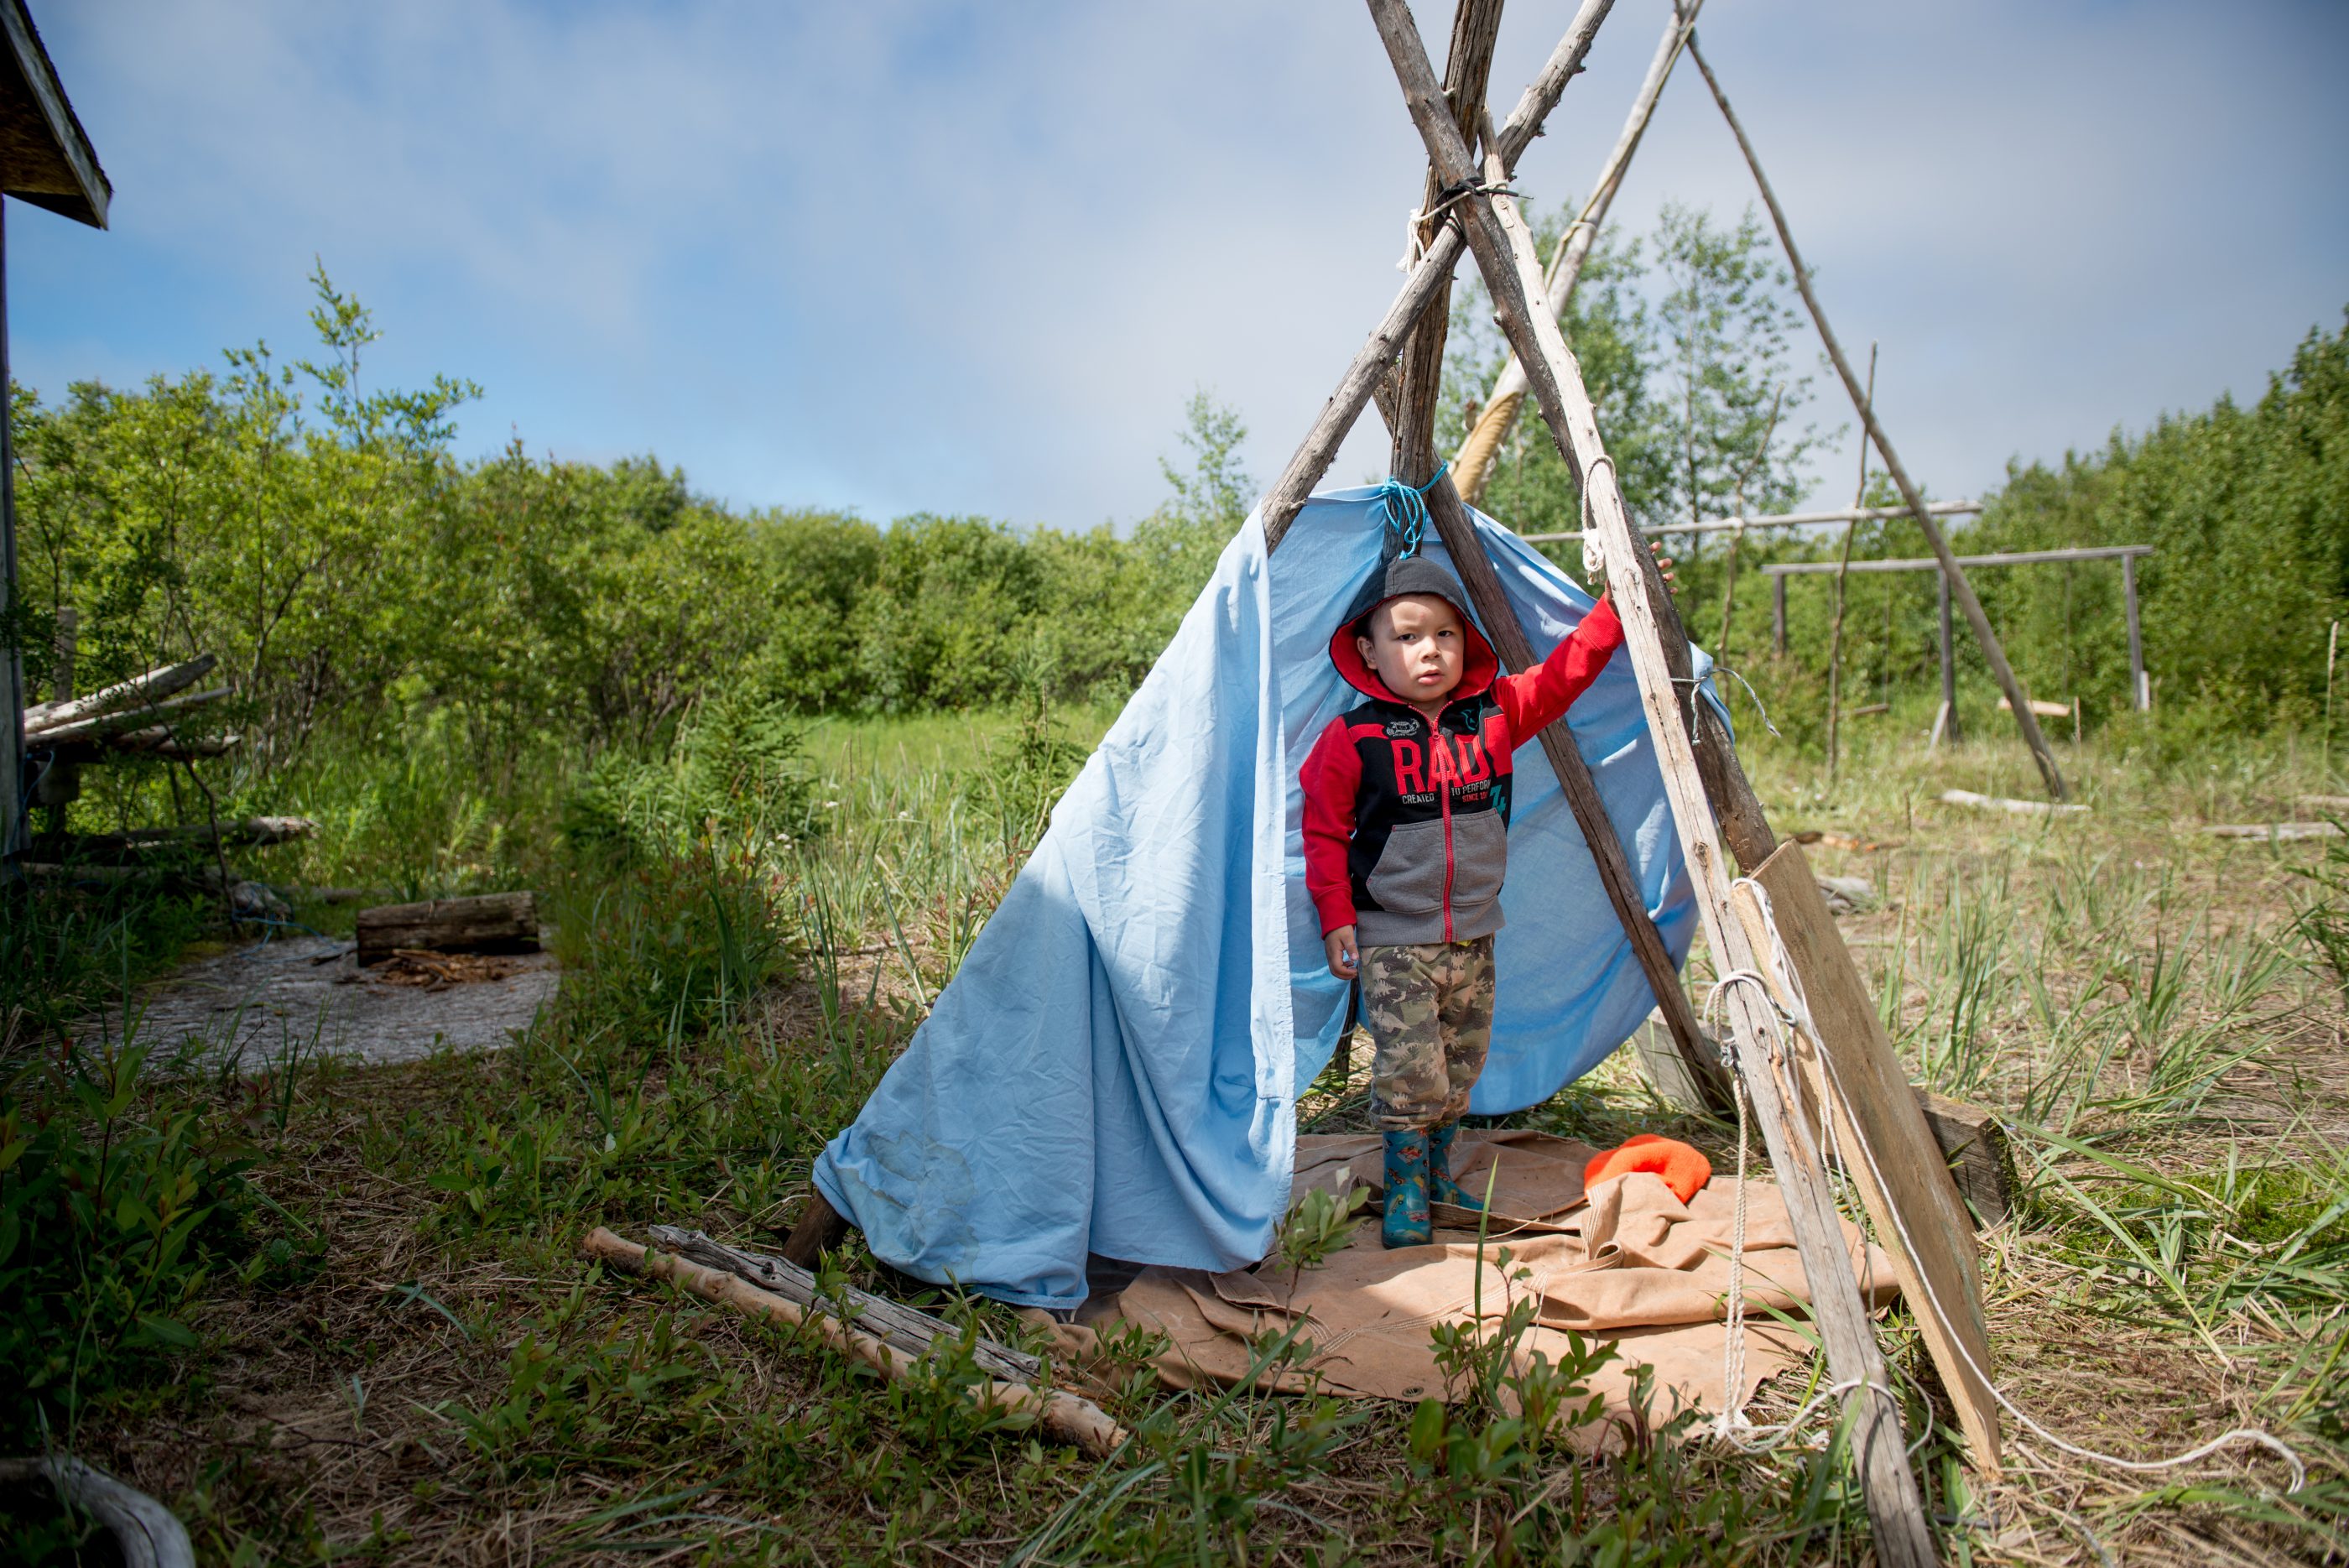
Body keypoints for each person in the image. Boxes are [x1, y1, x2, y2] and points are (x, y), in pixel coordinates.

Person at [1297, 533, 1667, 1248]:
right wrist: (1337, 918)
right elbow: (1322, 834)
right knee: (1410, 1070)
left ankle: (1437, 1174)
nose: (1429, 649)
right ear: (1369, 651)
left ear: (1467, 643)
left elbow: (1563, 677)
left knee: (1460, 1063)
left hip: (1474, 932)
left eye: (1445, 633)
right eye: (1407, 636)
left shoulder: (1494, 716)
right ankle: (1405, 1191)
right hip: (1394, 940)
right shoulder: (1352, 739)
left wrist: (1614, 611)